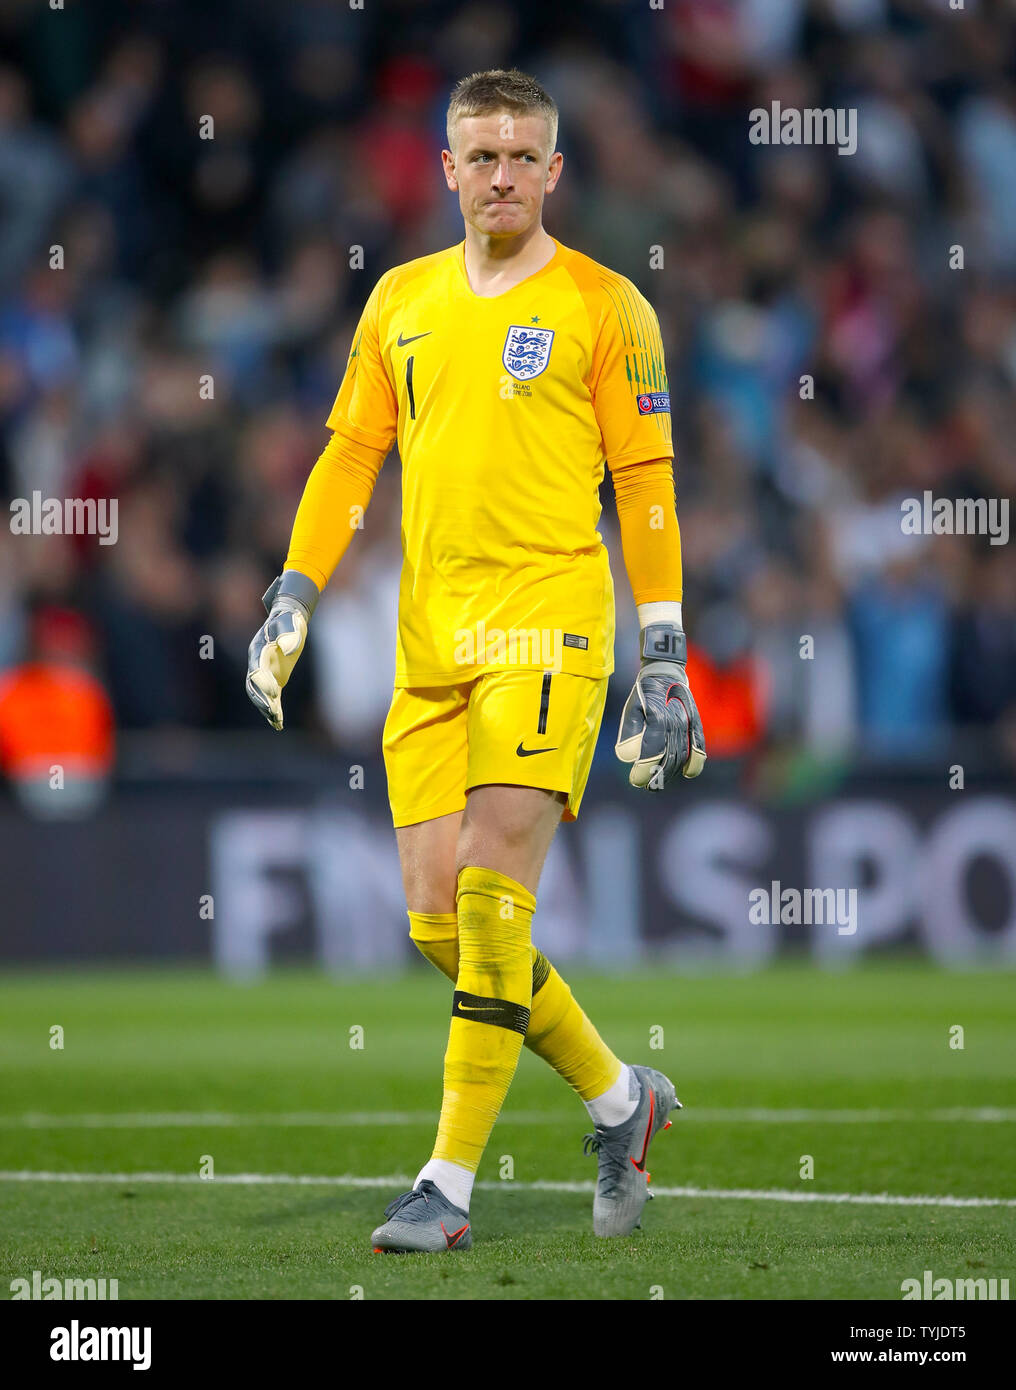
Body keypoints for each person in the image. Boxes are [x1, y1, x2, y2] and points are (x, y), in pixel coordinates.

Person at [246, 68, 706, 1253]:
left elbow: (646, 486)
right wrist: (294, 586)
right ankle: (620, 1098)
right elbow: (349, 455)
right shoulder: (396, 301)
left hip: (549, 623)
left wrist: (662, 650)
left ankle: (445, 1184)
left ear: (554, 174)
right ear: (444, 170)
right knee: (440, 922)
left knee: (497, 893)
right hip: (429, 638)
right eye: (479, 155)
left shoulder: (609, 308)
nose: (500, 176)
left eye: (521, 157)